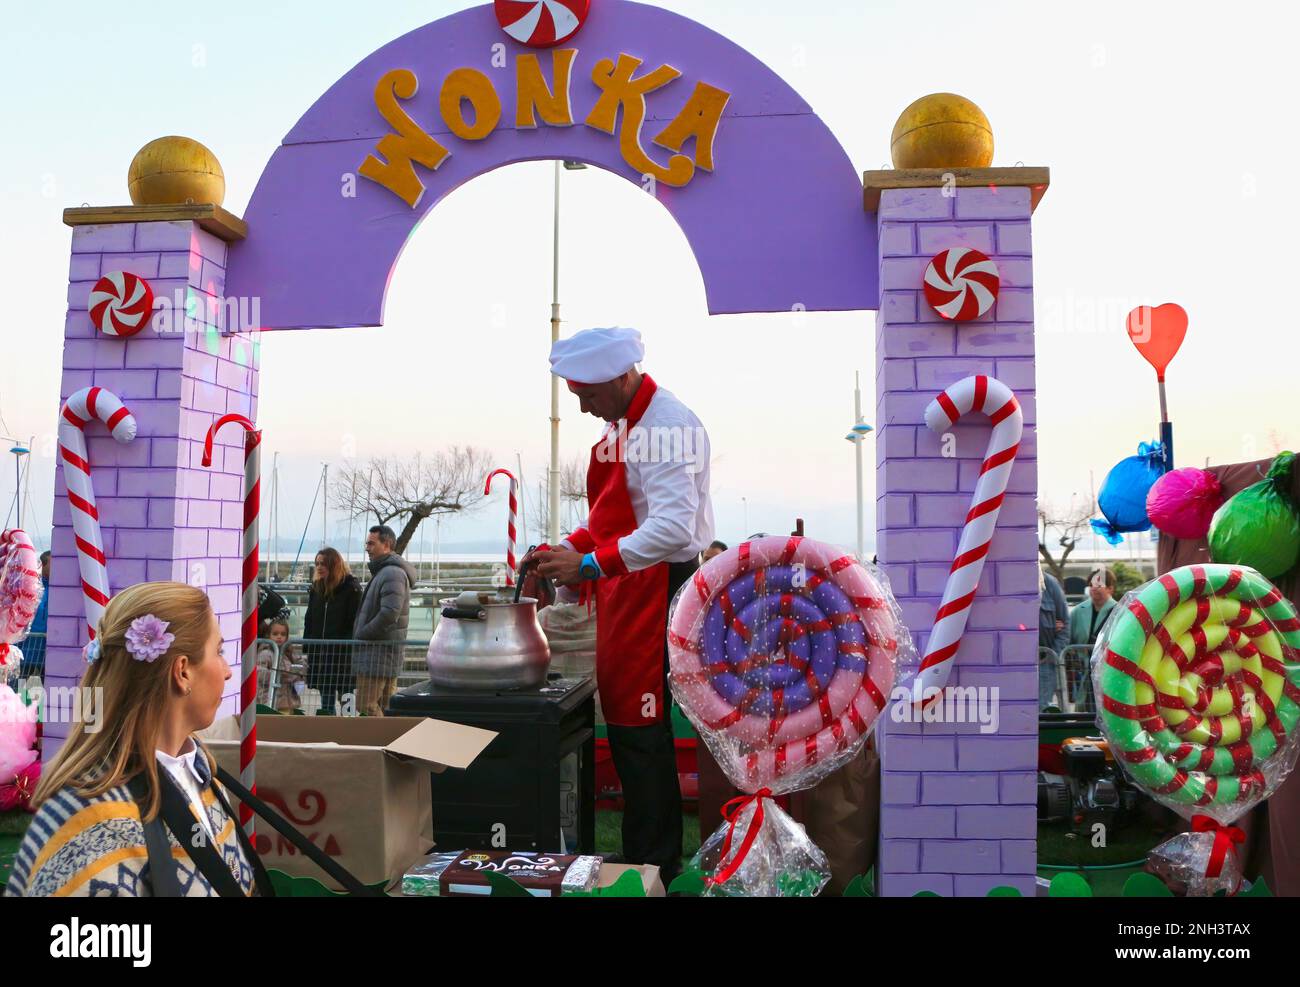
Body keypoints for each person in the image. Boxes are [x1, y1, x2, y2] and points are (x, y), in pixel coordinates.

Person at [532, 326, 713, 883]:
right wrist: (570, 547)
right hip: (632, 577)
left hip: (662, 582)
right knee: (630, 722)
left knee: (643, 725)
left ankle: (653, 859)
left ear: (619, 377)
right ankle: (643, 852)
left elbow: (673, 529)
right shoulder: (626, 424)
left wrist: (589, 564)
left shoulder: (666, 427)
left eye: (587, 395)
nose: (584, 409)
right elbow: (613, 515)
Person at [5, 581, 270, 897]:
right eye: (219, 651)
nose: (227, 671)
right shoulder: (91, 825)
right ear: (182, 671)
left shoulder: (200, 774)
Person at [352, 525, 416, 716]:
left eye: (371, 543)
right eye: (367, 543)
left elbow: (389, 613)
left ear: (386, 544)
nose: (367, 548)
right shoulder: (387, 572)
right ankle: (389, 741)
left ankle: (380, 741)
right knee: (386, 706)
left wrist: (362, 634)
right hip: (383, 653)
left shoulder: (391, 573)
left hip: (377, 654)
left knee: (366, 705)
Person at [304, 546, 362, 715]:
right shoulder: (317, 588)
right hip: (322, 654)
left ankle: (349, 730)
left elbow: (354, 622)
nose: (319, 567)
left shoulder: (351, 588)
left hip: (343, 655)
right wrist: (308, 647)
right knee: (326, 698)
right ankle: (328, 728)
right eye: (317, 563)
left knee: (346, 696)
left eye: (324, 563)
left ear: (334, 565)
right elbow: (310, 619)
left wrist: (348, 646)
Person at [256, 617, 307, 713]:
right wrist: (280, 675)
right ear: (269, 635)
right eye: (275, 634)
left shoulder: (289, 652)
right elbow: (260, 674)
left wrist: (297, 673)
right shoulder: (266, 653)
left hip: (289, 700)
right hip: (270, 700)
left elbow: (302, 664)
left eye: (283, 634)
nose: (279, 637)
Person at [1038, 568, 1069, 709]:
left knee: (1042, 709)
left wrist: (1052, 656)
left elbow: (1066, 625)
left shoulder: (1050, 584)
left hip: (1044, 662)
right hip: (1014, 663)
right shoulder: (1011, 581)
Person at [18, 551, 49, 681]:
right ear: (43, 565)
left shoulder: (59, 589)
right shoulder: (32, 586)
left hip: (47, 653)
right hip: (27, 649)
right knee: (18, 686)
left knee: (50, 689)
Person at [1070, 566, 1118, 649]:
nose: (1093, 588)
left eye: (1098, 585)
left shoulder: (1119, 611)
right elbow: (1068, 637)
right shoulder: (1077, 611)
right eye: (1091, 585)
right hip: (1080, 661)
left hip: (1107, 661)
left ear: (1110, 589)